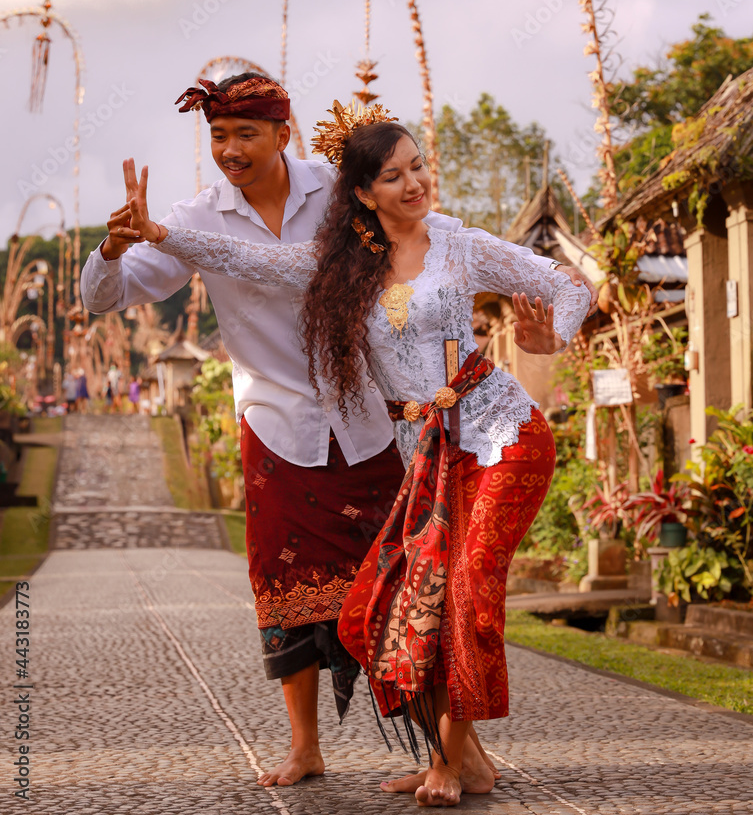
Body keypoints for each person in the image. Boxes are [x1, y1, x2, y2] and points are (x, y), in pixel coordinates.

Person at [81, 72, 596, 789]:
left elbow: (551, 289)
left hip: (436, 429)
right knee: (331, 598)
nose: (410, 183)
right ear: (365, 193)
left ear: (283, 133)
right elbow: (235, 263)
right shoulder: (275, 241)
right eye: (218, 135)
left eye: (416, 168)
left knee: (441, 588)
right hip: (334, 430)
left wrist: (548, 338)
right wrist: (141, 240)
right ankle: (356, 750)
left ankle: (452, 755)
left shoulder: (406, 222)